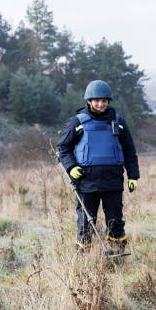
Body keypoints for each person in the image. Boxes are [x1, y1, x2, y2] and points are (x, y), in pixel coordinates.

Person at [57, 80, 140, 255]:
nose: (100, 104)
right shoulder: (77, 122)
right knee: (86, 224)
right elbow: (63, 147)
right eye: (96, 100)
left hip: (113, 181)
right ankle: (84, 260)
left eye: (104, 100)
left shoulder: (119, 122)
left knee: (115, 222)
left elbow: (129, 150)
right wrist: (71, 167)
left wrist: (133, 175)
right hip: (87, 182)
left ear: (108, 101)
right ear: (89, 101)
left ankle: (118, 256)